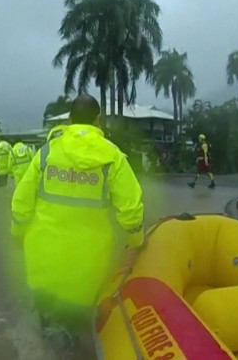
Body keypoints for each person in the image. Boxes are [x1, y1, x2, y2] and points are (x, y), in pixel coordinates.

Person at [11, 94, 145, 353]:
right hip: (88, 266)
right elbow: (131, 209)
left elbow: (21, 202)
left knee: (46, 332)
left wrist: (17, 232)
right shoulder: (112, 156)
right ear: (98, 120)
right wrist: (136, 241)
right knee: (79, 336)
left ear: (70, 119)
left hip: (43, 259)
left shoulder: (47, 153)